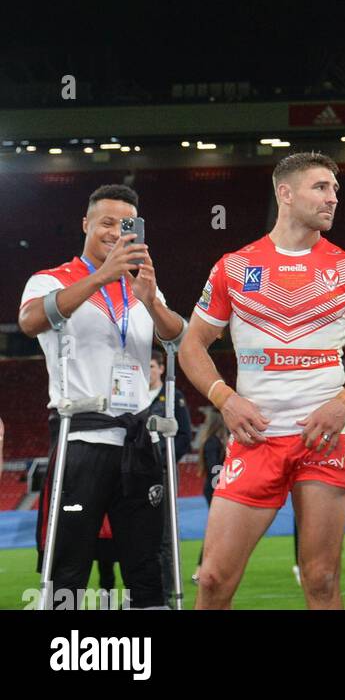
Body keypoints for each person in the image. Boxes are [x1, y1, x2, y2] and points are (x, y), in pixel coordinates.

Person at [179, 151, 345, 610]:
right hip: (255, 438)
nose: (332, 198)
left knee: (320, 581)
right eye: (321, 187)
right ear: (285, 193)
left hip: (323, 439)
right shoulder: (235, 266)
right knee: (213, 579)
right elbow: (191, 345)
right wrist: (226, 399)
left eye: (335, 190)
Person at [18, 183, 188, 609]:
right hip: (82, 438)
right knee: (68, 568)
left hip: (138, 442)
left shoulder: (143, 288)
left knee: (147, 565)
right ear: (85, 224)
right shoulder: (51, 278)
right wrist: (101, 277)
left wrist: (150, 300)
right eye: (106, 222)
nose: (115, 232)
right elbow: (30, 320)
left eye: (126, 225)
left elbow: (178, 339)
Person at [147, 351, 192, 602]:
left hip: (162, 472)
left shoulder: (173, 398)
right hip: (137, 473)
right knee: (139, 535)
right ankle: (144, 594)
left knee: (164, 536)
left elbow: (184, 437)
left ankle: (166, 596)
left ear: (162, 368)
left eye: (152, 366)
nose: (149, 371)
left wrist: (162, 459)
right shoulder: (136, 397)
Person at [191, 408, 228, 583]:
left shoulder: (211, 441)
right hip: (215, 490)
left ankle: (207, 568)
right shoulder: (214, 442)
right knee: (215, 531)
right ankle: (200, 570)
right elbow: (214, 469)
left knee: (218, 530)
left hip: (213, 488)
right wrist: (222, 487)